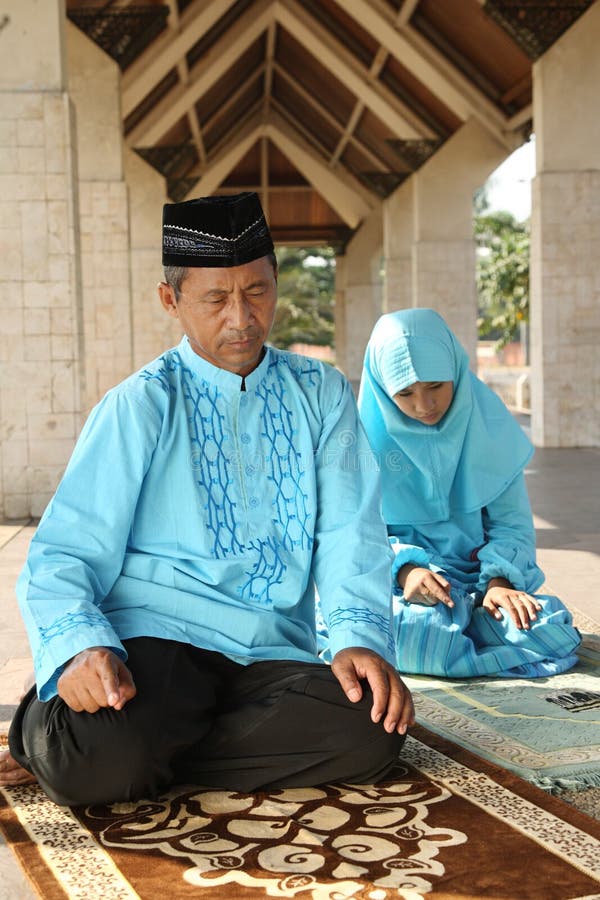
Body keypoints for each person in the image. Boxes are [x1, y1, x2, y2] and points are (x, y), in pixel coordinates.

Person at [0, 193, 414, 805]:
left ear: (276, 282)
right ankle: (59, 732)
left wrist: (356, 638)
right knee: (107, 748)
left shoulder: (321, 393)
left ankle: (136, 753)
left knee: (374, 728)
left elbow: (352, 531)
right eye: (216, 299)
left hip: (269, 654)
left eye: (257, 291)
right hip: (157, 646)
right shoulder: (139, 405)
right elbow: (63, 553)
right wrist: (80, 647)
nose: (241, 318)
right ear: (172, 300)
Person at [357, 307, 581, 679]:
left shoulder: (489, 430)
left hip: (480, 582)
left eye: (435, 386)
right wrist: (406, 571)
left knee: (552, 629)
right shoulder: (361, 446)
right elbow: (358, 536)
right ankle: (466, 634)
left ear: (456, 371)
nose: (423, 406)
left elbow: (511, 524)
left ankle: (463, 631)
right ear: (382, 389)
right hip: (407, 588)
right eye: (405, 393)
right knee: (413, 630)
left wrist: (499, 583)